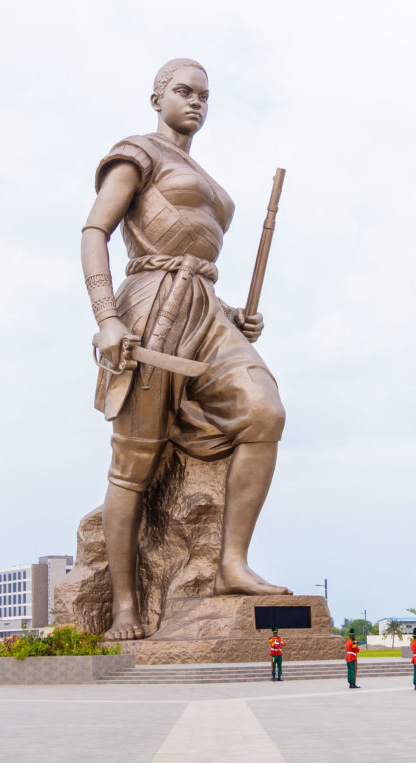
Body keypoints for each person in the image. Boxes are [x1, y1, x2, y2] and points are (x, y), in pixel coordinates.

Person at [81, 58, 290, 640]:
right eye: (183, 91)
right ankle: (126, 607)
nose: (196, 101)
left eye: (204, 94)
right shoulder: (137, 153)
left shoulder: (206, 176)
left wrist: (232, 315)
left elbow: (198, 257)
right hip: (152, 307)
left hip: (207, 307)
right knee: (134, 463)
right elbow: (94, 231)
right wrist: (106, 320)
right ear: (157, 98)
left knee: (264, 411)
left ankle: (232, 564)